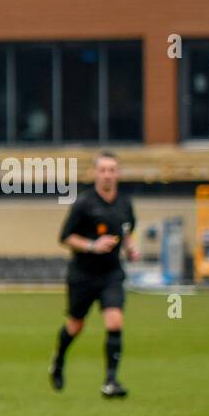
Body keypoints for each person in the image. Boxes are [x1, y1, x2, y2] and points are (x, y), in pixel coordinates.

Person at [49, 152, 139, 397]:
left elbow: (127, 230)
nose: (108, 174)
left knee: (115, 321)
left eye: (112, 170)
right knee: (75, 326)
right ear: (95, 173)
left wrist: (131, 247)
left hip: (111, 273)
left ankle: (111, 381)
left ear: (118, 173)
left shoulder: (125, 203)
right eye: (103, 170)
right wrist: (92, 245)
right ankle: (58, 360)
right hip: (83, 274)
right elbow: (65, 237)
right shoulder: (84, 204)